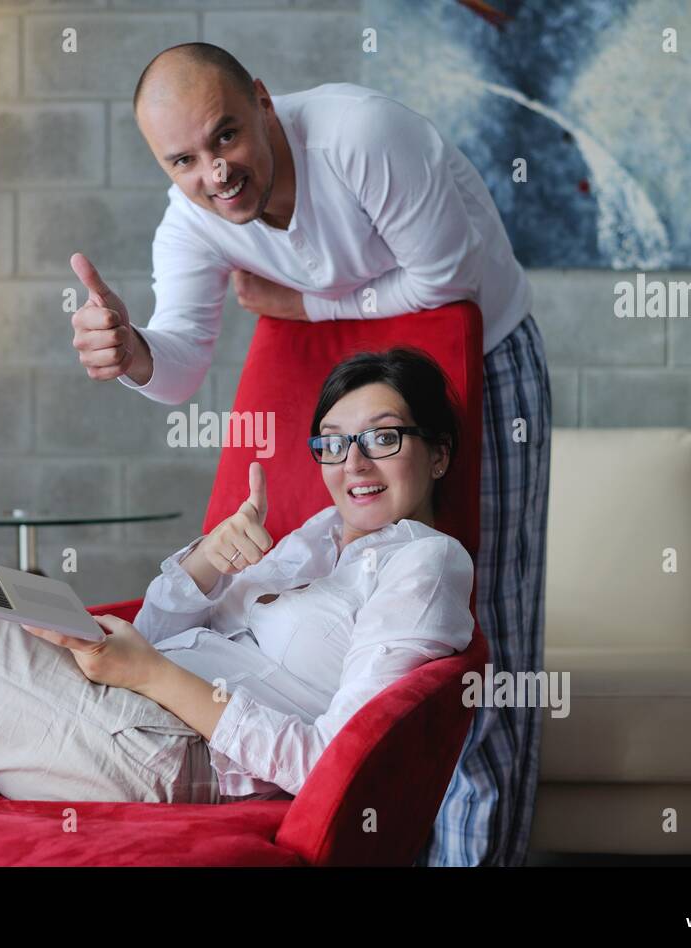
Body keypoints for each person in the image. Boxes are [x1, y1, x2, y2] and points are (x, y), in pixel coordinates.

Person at [0, 348, 475, 866]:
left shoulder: (424, 565)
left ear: (438, 453)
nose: (353, 464)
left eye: (384, 437)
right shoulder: (316, 536)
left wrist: (157, 677)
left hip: (167, 750)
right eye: (333, 443)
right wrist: (203, 565)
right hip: (123, 699)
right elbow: (160, 630)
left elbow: (334, 760)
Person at [67, 42, 550, 866]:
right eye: (183, 160)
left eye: (225, 138)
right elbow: (180, 359)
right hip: (340, 373)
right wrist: (132, 351)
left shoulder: (362, 138)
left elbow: (444, 281)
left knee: (484, 635)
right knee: (314, 579)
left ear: (262, 101)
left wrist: (300, 299)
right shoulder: (191, 220)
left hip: (478, 347)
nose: (213, 173)